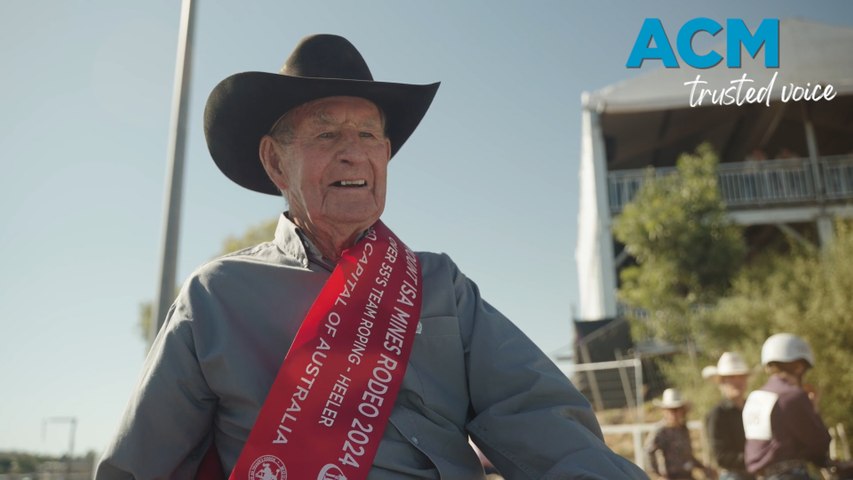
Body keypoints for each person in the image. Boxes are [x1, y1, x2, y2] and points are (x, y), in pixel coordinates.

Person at [95, 34, 647, 479]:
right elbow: (140, 466)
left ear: (385, 154)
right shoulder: (216, 296)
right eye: (326, 133)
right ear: (274, 162)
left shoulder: (440, 284)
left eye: (368, 133)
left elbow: (540, 416)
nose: (353, 151)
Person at [742, 333, 832, 479]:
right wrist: (814, 409)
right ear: (798, 367)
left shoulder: (755, 397)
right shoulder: (793, 396)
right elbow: (820, 443)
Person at [703, 352, 754, 480]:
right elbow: (721, 456)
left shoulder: (753, 406)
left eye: (741, 376)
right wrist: (755, 457)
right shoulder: (717, 414)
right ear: (722, 382)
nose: (737, 381)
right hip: (734, 475)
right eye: (731, 377)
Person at [645, 388, 712, 480]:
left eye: (676, 410)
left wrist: (702, 467)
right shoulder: (660, 431)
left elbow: (687, 455)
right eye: (670, 410)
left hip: (687, 475)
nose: (674, 414)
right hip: (670, 476)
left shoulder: (683, 429)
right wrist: (658, 475)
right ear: (664, 411)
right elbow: (648, 452)